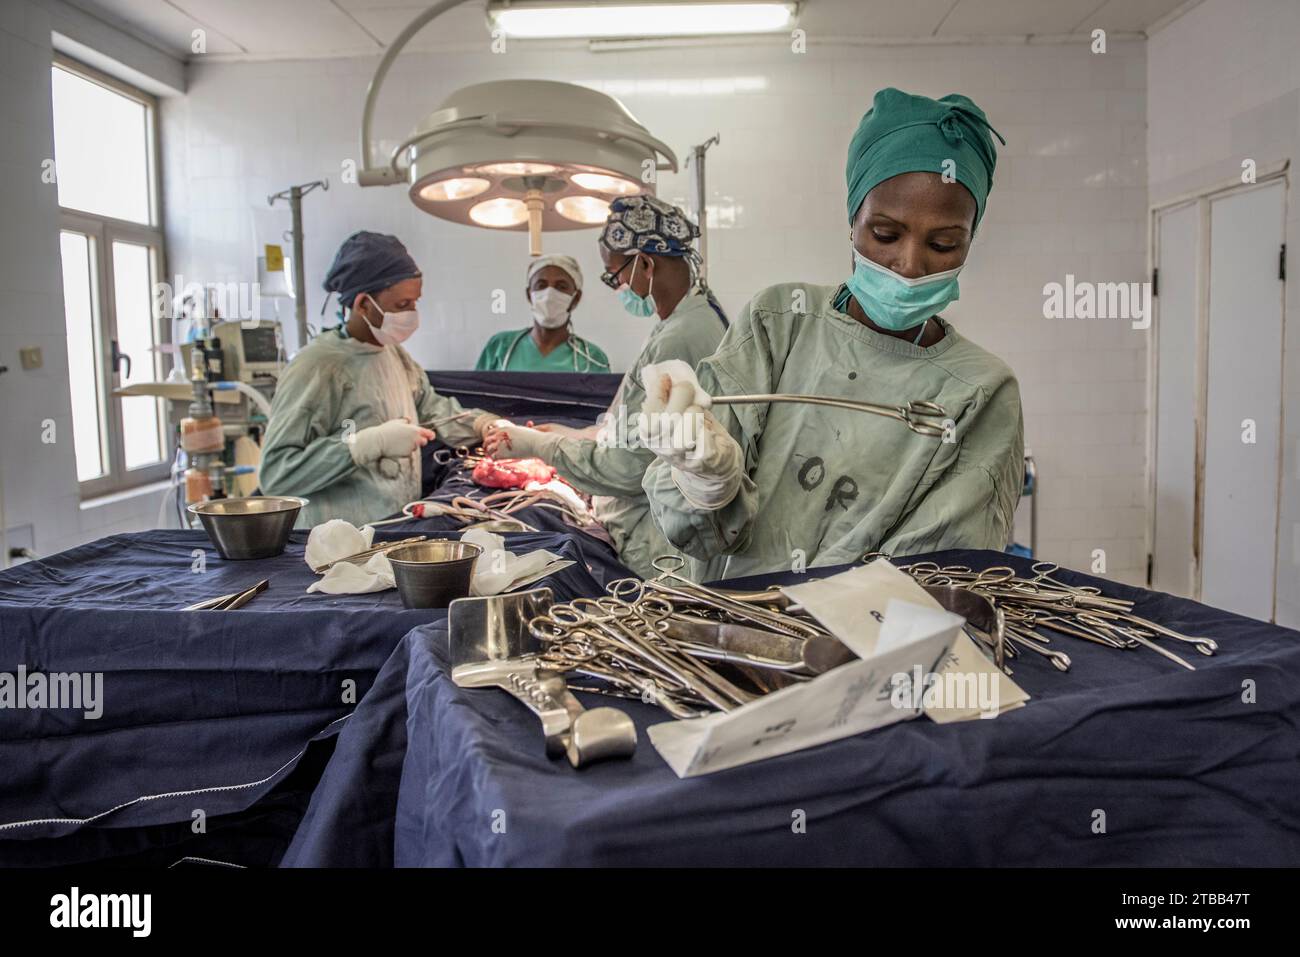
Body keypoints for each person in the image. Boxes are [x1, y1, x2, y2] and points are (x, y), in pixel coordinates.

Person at [638, 88, 1025, 581]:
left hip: (872, 631)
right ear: (853, 223)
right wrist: (704, 483)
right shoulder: (780, 321)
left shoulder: (981, 391)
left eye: (944, 244)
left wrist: (826, 619)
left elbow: (934, 581)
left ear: (970, 241)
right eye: (885, 234)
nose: (910, 264)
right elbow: (697, 533)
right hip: (724, 619)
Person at [482, 195, 728, 576]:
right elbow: (633, 432)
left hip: (660, 553)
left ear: (645, 264)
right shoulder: (686, 319)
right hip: (653, 531)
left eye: (615, 275)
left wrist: (540, 446)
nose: (619, 286)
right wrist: (568, 434)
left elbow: (628, 468)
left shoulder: (680, 339)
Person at [260, 231, 499, 527]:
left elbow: (432, 410)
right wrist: (365, 444)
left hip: (390, 529)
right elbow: (277, 474)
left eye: (415, 302)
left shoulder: (393, 354)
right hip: (337, 542)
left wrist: (484, 425)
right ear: (363, 304)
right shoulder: (318, 367)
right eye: (402, 304)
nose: (412, 313)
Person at [475, 255, 611, 372]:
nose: (549, 295)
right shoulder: (500, 347)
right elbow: (475, 393)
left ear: (576, 298)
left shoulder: (593, 358)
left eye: (561, 287)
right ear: (529, 295)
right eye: (541, 285)